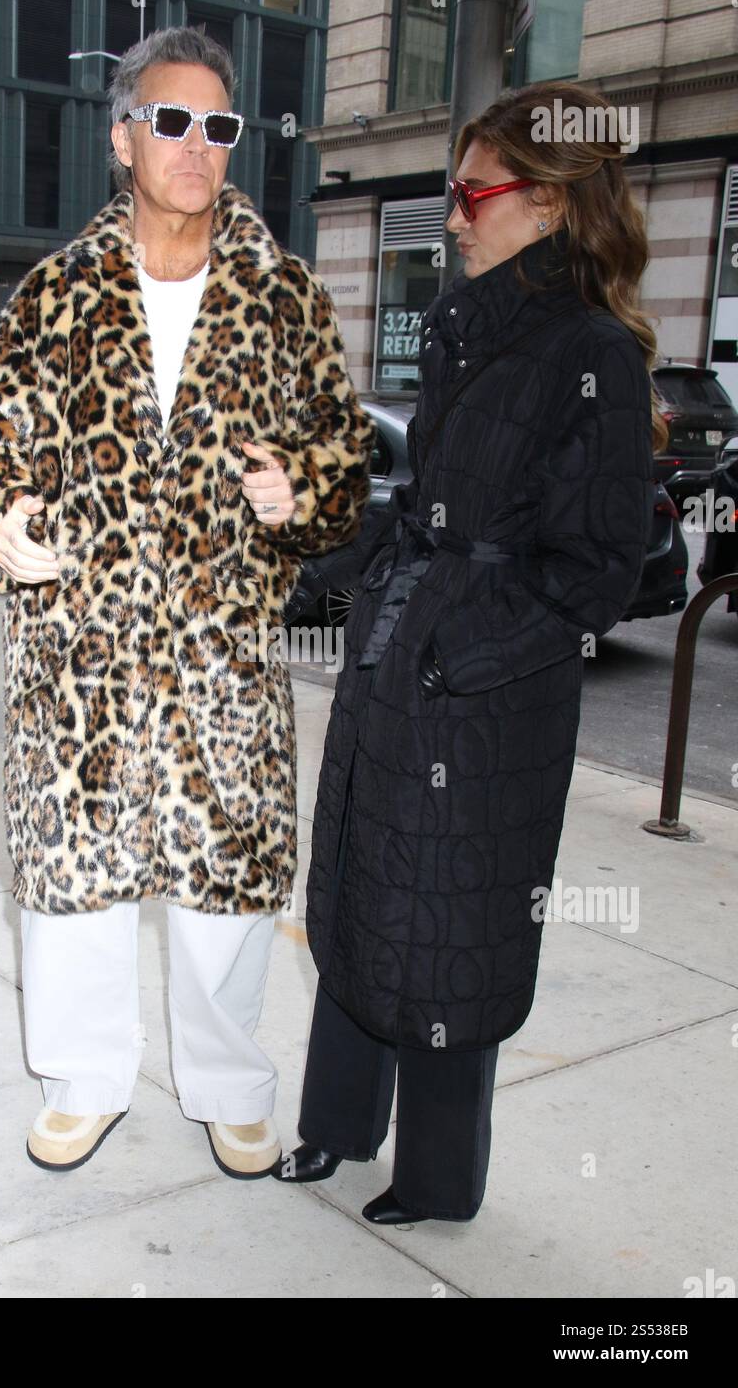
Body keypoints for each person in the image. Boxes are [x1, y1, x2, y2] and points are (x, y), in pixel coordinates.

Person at [0, 28, 373, 1177]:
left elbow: (344, 459)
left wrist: (306, 490)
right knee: (73, 890)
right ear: (123, 134)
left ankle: (229, 1085)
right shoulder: (54, 296)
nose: (196, 146)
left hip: (221, 661)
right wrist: (0, 528)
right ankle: (83, 1081)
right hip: (78, 661)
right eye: (171, 121)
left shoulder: (282, 297)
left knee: (225, 897)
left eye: (218, 127)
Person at [274, 80, 663, 1224]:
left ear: (545, 204)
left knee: (449, 928)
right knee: (358, 897)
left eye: (468, 193)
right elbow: (419, 512)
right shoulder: (467, 331)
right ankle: (334, 1126)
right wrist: (312, 578)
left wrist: (456, 658)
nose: (450, 216)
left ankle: (438, 1182)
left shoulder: (591, 353)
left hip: (482, 705)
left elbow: (592, 569)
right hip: (399, 673)